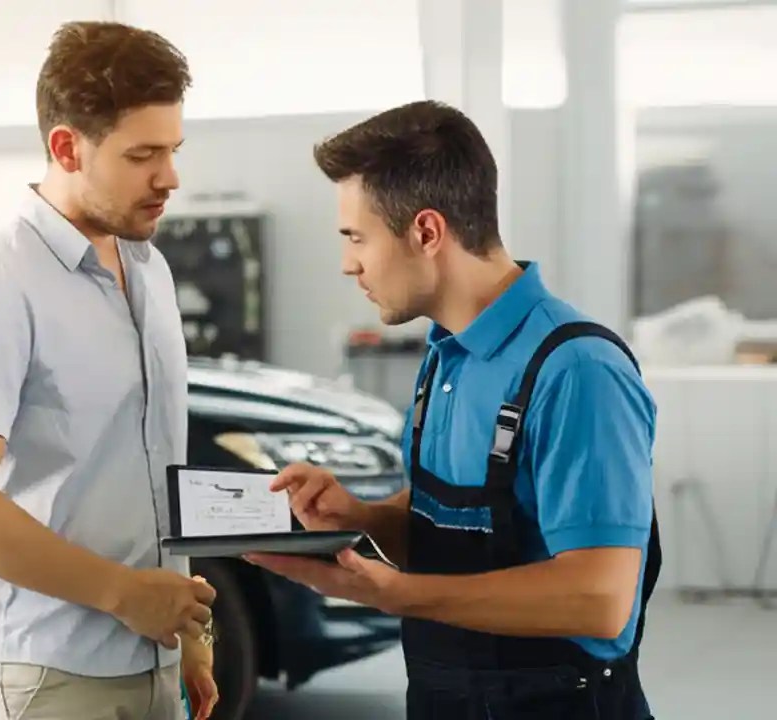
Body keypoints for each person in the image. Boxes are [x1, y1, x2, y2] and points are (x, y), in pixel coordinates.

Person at [245, 100, 660, 719]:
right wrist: (358, 516)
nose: (347, 263)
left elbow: (598, 598)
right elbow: (458, 534)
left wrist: (400, 596)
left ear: (427, 233)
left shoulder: (577, 372)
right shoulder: (445, 357)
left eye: (357, 237)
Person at [0, 20, 218, 720]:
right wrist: (124, 594)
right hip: (46, 674)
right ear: (66, 147)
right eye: (143, 155)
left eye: (172, 150)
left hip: (151, 658)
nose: (169, 177)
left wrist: (187, 622)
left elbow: (140, 471)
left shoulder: (149, 269)